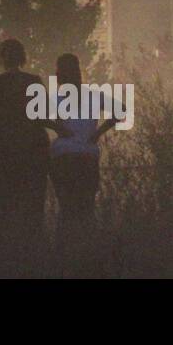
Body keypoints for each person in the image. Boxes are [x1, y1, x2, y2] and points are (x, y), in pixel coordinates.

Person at [0, 38, 49, 236]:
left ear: (0, 59)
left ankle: (4, 246)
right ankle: (33, 244)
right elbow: (44, 115)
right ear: (22, 58)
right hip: (31, 147)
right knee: (32, 202)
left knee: (1, 202)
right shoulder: (34, 82)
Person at [47, 53, 117, 243]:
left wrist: (57, 127)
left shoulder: (56, 98)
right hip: (87, 156)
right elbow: (121, 110)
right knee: (86, 208)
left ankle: (62, 252)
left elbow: (36, 116)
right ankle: (87, 252)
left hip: (63, 157)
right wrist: (97, 133)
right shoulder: (94, 95)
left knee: (66, 208)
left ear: (59, 73)